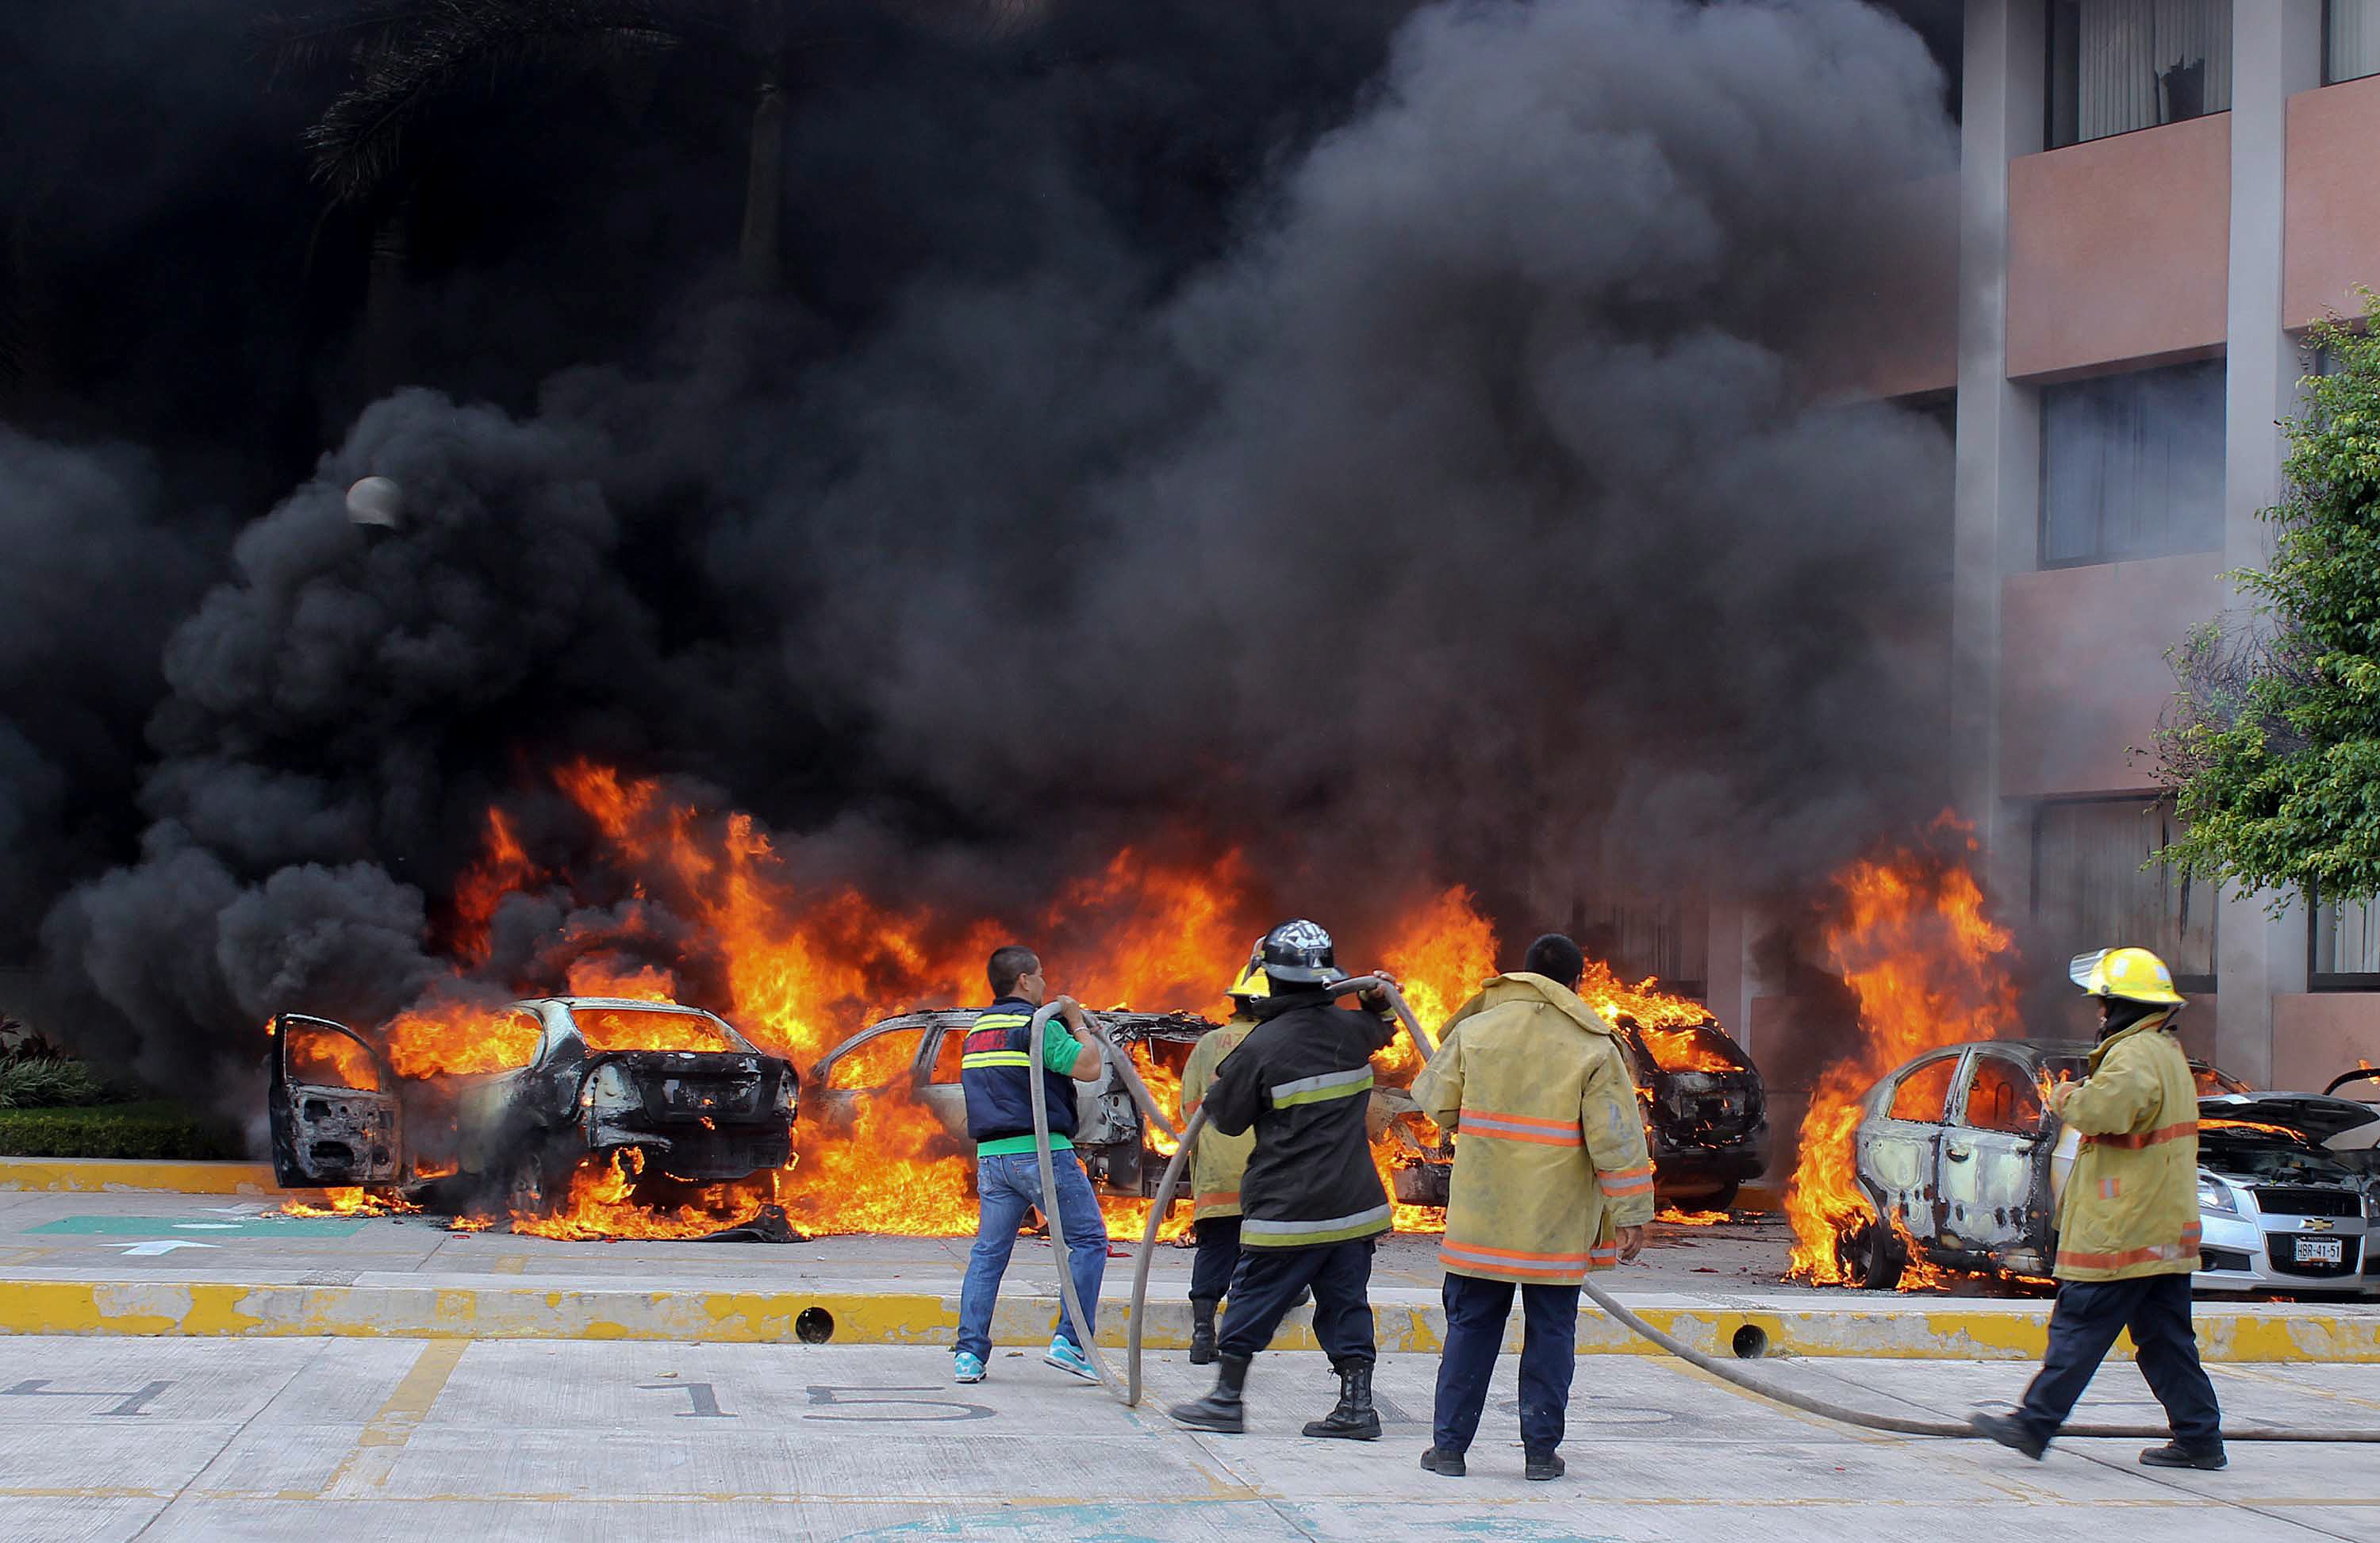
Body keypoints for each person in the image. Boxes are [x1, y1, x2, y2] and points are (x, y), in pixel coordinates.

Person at [1407, 932, 1653, 1482]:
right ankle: (1540, 1454)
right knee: (1550, 1334)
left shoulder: (1475, 1030)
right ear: (1576, 982)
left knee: (1470, 1329)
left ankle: (1449, 1450)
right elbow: (1616, 1137)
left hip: (1483, 1220)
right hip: (1555, 1227)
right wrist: (1633, 1210)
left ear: (1523, 973)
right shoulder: (1594, 1045)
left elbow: (1436, 1106)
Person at [1972, 946, 2225, 1469]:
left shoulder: (2133, 1055)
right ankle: (2200, 1437)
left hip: (2123, 1231)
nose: (2099, 1014)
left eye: (2105, 1004)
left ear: (2127, 1005)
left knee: (2079, 1328)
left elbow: (2104, 1110)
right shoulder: (2166, 1054)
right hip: (2161, 1230)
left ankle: (2033, 1423)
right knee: (2166, 1341)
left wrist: (2064, 1095)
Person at [1169, 919, 1401, 1439]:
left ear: (1269, 981)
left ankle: (1227, 1397)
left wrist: (1223, 1084)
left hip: (1288, 1209)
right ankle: (1357, 1407)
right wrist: (1380, 999)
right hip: (1353, 1206)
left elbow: (1226, 1119)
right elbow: (1384, 1028)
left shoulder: (1259, 1048)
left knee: (1253, 1296)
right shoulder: (1352, 1030)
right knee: (1346, 1302)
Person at [952, 944, 1111, 1386]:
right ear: (1024, 980)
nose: (1045, 984)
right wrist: (1077, 1023)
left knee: (988, 1254)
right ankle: (1071, 1343)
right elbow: (1090, 1068)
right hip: (1042, 1153)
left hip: (992, 1160)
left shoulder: (977, 1031)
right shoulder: (1035, 1026)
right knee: (1089, 1240)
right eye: (1040, 976)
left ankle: (968, 1355)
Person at [1180, 949, 1268, 1365]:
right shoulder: (1276, 1043)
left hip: (1216, 1175)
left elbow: (1188, 1110)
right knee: (1259, 1258)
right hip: (1267, 1174)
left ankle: (1202, 1332)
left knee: (1214, 1249)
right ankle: (1236, 1342)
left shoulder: (1208, 1044)